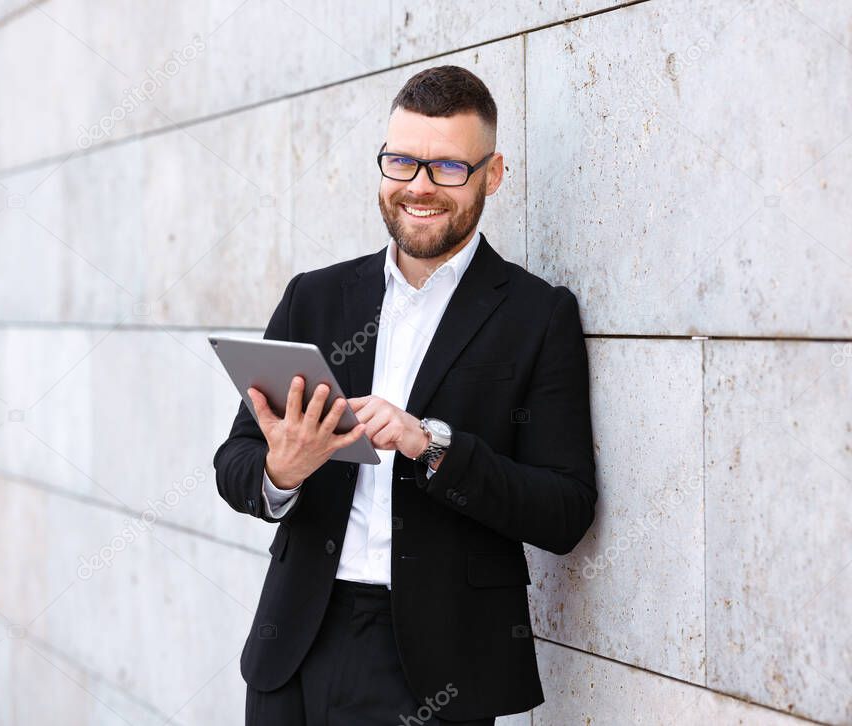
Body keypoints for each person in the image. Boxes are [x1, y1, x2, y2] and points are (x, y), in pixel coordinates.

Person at [214, 64, 597, 725]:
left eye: (447, 168)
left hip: (438, 665)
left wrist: (430, 444)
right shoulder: (315, 297)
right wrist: (283, 470)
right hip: (294, 651)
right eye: (402, 163)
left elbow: (564, 511)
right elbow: (235, 464)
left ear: (492, 173)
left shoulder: (538, 316)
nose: (419, 187)